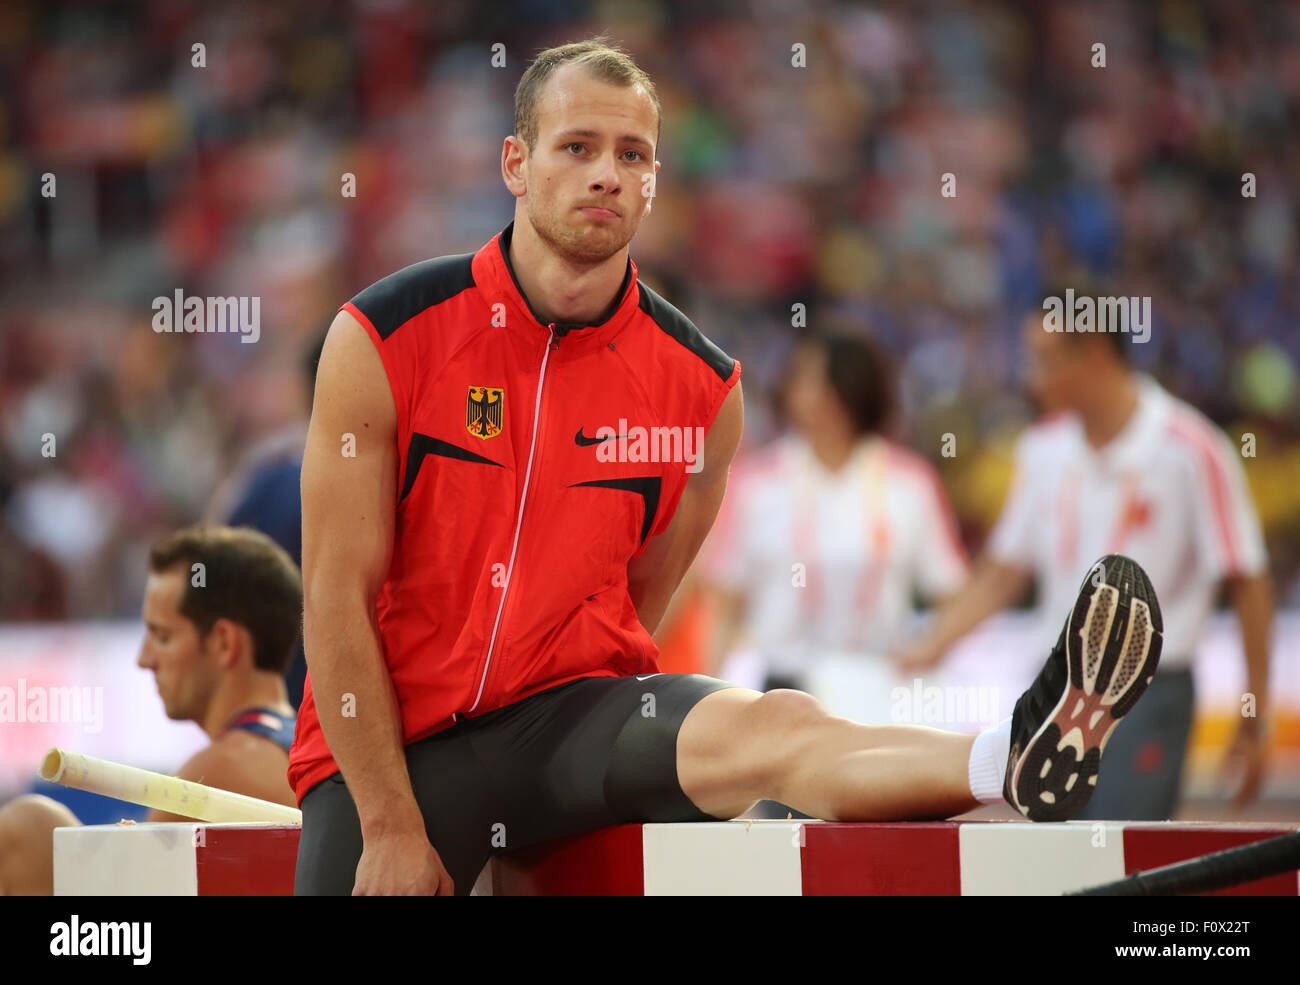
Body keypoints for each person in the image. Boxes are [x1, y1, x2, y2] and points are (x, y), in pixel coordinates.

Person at [290, 37, 1164, 897]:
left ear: (654, 181)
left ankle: (1005, 755)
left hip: (570, 724)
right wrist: (392, 824)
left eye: (632, 154)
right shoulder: (384, 336)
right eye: (579, 148)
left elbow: (642, 597)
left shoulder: (703, 390)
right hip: (396, 751)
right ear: (516, 163)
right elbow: (335, 596)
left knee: (777, 723)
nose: (606, 174)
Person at [900, 311, 1274, 820]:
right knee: (1056, 858)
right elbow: (1005, 574)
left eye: (1045, 360)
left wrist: (1254, 719)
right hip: (1052, 686)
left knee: (1124, 853)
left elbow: (1247, 580)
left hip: (1144, 691)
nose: (1031, 378)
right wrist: (931, 646)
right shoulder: (1041, 449)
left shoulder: (1192, 449)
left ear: (1096, 353)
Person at [0, 525, 302, 894]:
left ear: (224, 642)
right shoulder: (303, 750)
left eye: (162, 636)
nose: (144, 659)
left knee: (28, 826)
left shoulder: (220, 769)